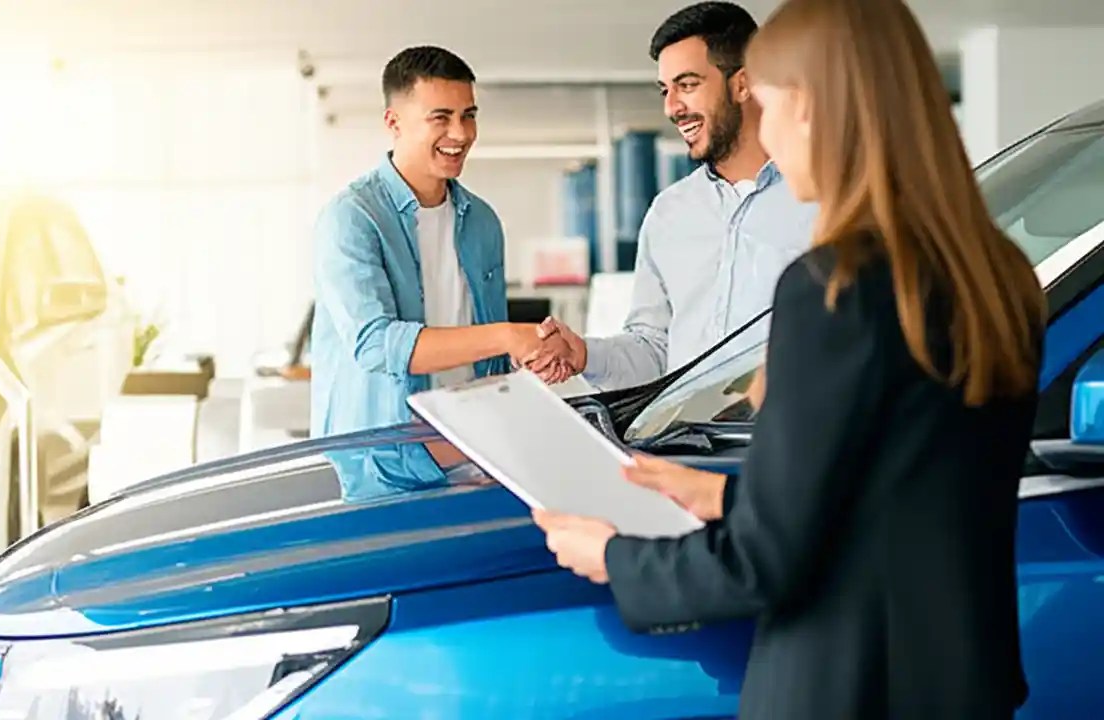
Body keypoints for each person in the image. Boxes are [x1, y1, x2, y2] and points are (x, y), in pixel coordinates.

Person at [531, 0, 1047, 717]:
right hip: (961, 685)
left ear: (810, 109)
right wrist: (729, 497)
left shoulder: (834, 288)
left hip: (851, 687)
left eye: (770, 106)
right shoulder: (998, 274)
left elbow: (765, 563)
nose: (766, 129)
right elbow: (898, 497)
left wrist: (614, 558)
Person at [310, 45, 568, 500]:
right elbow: (375, 344)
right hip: (382, 471)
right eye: (441, 117)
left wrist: (535, 353)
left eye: (469, 115)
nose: (461, 133)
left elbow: (487, 356)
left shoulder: (482, 222)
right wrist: (508, 336)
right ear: (394, 123)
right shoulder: (351, 217)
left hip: (472, 457)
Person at [529, 1, 816, 390]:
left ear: (743, 83)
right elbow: (654, 349)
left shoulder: (822, 199)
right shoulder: (670, 213)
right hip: (685, 446)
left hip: (789, 442)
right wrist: (584, 354)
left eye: (688, 85)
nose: (671, 107)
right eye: (666, 90)